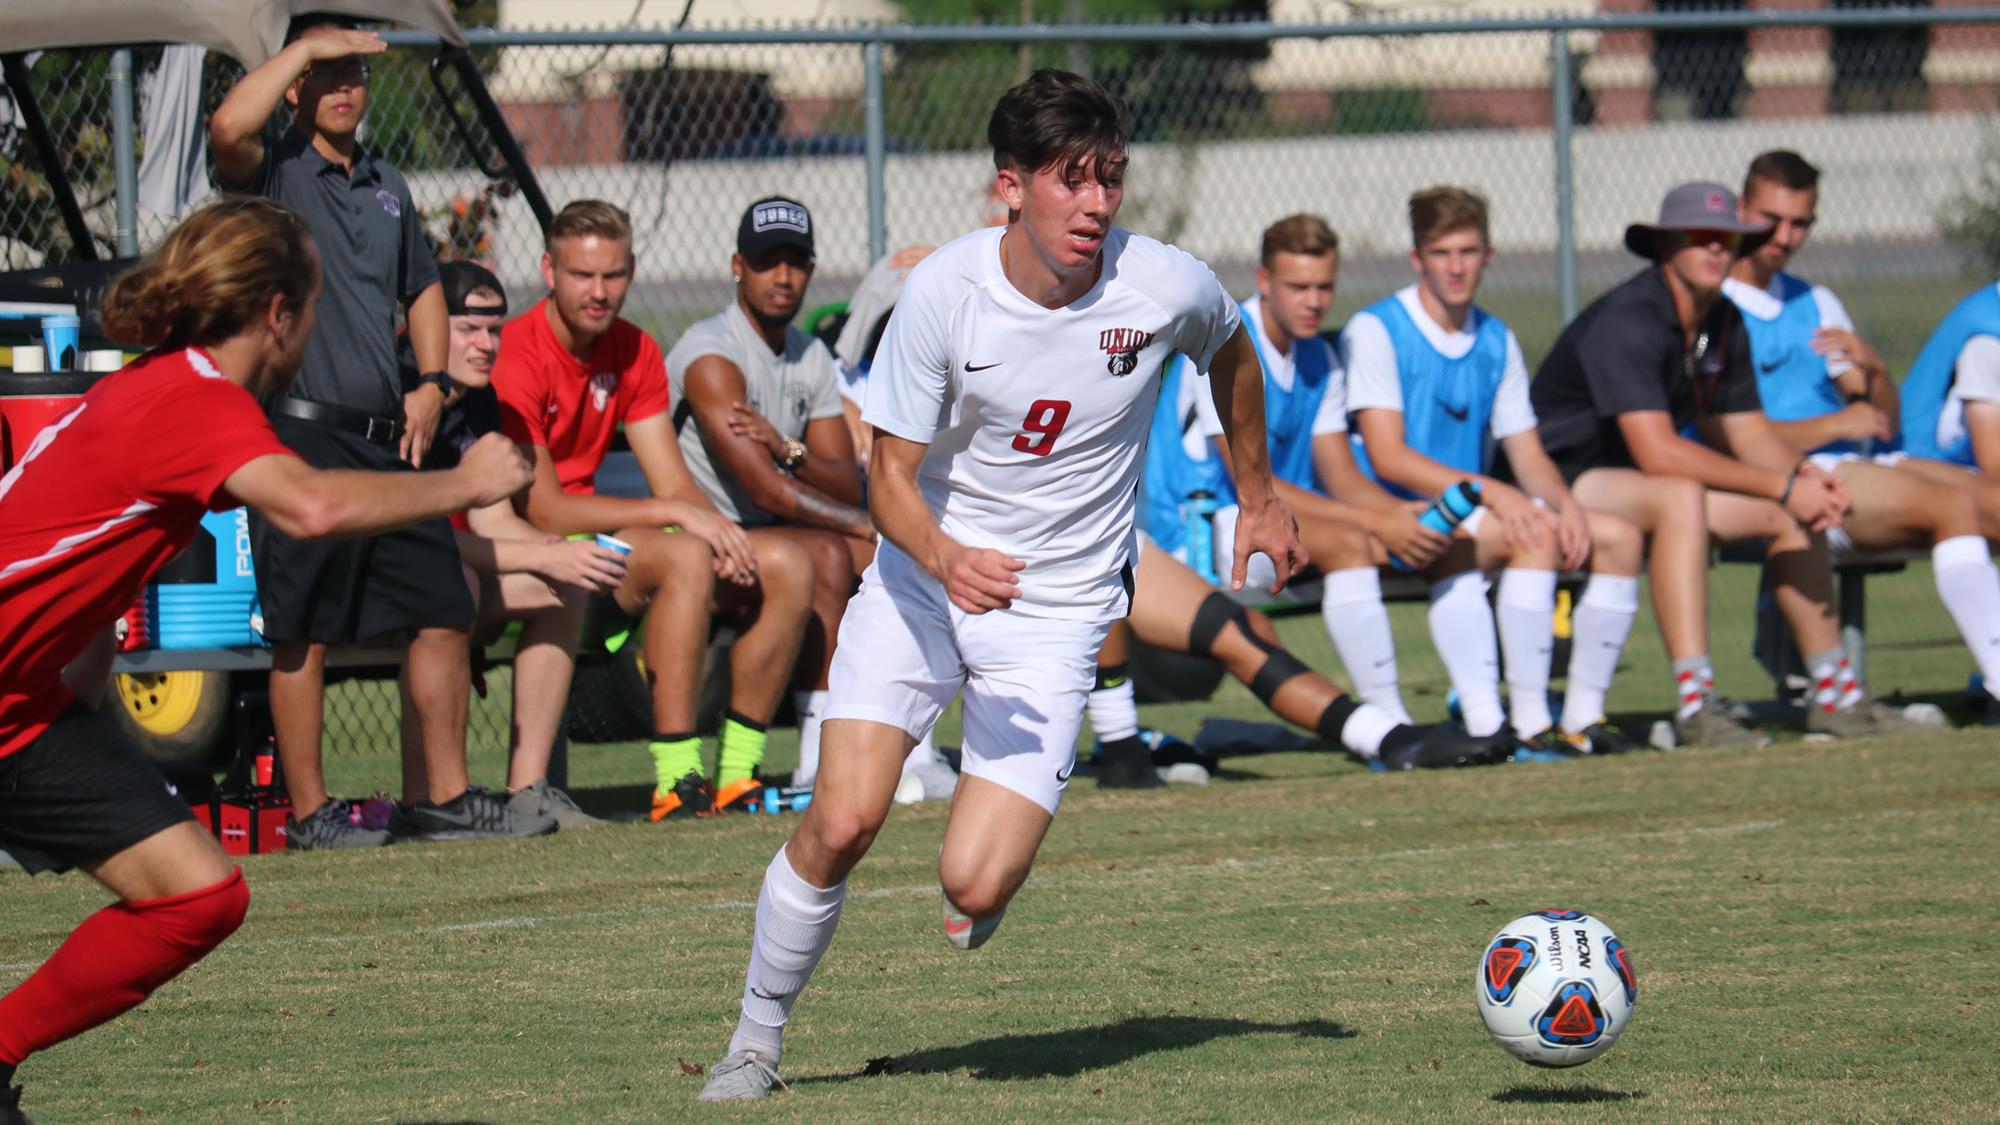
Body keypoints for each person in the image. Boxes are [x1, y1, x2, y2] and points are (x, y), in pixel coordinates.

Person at [699, 69, 1304, 1100]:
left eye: (1108, 179)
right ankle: (753, 1041)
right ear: (1009, 187)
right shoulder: (945, 293)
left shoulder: (1160, 283)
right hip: (923, 586)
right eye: (1070, 180)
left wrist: (1258, 492)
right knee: (842, 820)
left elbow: (1230, 348)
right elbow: (888, 479)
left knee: (971, 882)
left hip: (1058, 614)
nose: (1095, 204)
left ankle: (986, 869)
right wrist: (944, 559)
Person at [0, 198, 532, 1123]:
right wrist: (466, 483)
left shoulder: (161, 387)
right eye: (315, 306)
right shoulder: (194, 399)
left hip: (22, 713)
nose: (317, 327)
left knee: (197, 898)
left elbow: (84, 540)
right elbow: (312, 507)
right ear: (278, 314)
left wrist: (79, 672)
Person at [208, 18, 548, 846]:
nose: (345, 86)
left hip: (390, 440)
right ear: (296, 86)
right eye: (328, 74)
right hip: (298, 434)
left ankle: (444, 797)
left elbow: (423, 287)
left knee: (440, 606)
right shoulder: (274, 171)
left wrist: (431, 383)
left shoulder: (390, 183)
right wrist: (300, 48)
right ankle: (312, 813)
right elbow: (226, 127)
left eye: (355, 72)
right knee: (305, 626)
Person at [1528, 181, 1907, 741]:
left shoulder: (1722, 320)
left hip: (1628, 481)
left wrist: (1804, 479)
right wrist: (1780, 485)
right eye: (1698, 237)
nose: (1715, 249)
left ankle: (1834, 692)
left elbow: (1743, 431)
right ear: (1666, 247)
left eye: (1727, 238)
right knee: (1681, 493)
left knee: (1792, 512)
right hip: (1556, 481)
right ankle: (1695, 704)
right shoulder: (1629, 318)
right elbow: (1658, 452)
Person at [492, 199, 815, 820]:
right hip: (530, 553)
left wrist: (719, 528)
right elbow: (548, 511)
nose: (599, 291)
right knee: (687, 555)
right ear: (548, 271)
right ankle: (677, 778)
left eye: (613, 275)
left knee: (787, 564)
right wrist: (682, 516)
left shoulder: (636, 350)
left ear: (632, 270)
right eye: (582, 276)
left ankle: (735, 779)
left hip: (605, 551)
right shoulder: (518, 353)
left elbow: (672, 481)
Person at [666, 198, 956, 805]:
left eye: (796, 262)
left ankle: (906, 749)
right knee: (843, 551)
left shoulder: (809, 352)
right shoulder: (711, 352)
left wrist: (785, 446)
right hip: (700, 534)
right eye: (768, 262)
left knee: (862, 548)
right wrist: (870, 523)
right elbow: (762, 488)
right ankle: (810, 758)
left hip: (772, 531)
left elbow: (842, 478)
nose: (784, 277)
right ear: (737, 267)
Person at [1342, 187, 1646, 755]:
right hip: (1395, 518)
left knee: (1620, 538)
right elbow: (1388, 457)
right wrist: (1494, 494)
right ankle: (1528, 724)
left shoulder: (1496, 337)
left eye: (1468, 251)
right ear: (1417, 259)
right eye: (1441, 252)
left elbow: (1528, 453)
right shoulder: (1377, 329)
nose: (1456, 267)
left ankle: (1583, 716)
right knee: (1523, 531)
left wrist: (1569, 507)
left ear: (1489, 254)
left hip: (1476, 511)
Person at [1724, 151, 2000, 716]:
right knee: (1953, 507)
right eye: (1770, 219)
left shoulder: (1815, 301)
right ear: (1741, 208)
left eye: (1800, 223)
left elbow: (1881, 418)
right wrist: (1835, 424)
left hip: (1861, 464)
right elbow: (1728, 437)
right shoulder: (1714, 307)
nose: (1783, 236)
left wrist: (1872, 369)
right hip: (1791, 479)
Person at [1141, 214, 1439, 728]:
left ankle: (1494, 714)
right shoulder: (1224, 340)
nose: (1314, 301)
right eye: (1298, 286)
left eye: (1325, 287)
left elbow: (1342, 477)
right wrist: (1375, 524)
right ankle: (1391, 725)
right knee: (1353, 542)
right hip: (1198, 534)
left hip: (1277, 523)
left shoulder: (1321, 358)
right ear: (1264, 281)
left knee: (1442, 541)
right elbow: (1245, 481)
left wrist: (1397, 514)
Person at [415, 262, 628, 825]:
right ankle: (440, 798)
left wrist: (559, 551)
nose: (487, 346)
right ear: (432, 327)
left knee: (566, 579)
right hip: (389, 580)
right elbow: (420, 540)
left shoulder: (481, 402)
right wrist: (543, 552)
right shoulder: (406, 396)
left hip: (453, 573)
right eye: (469, 330)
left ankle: (527, 788)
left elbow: (492, 520)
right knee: (447, 579)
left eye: (495, 330)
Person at [1086, 536, 1518, 786]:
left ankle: (1391, 740)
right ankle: (1121, 746)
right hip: (1029, 539)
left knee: (1239, 632)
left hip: (1097, 526)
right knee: (1095, 574)